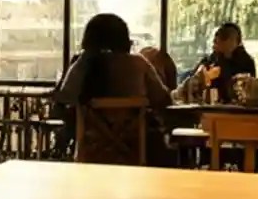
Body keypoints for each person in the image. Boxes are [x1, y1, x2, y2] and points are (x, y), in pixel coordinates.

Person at [54, 13, 173, 165]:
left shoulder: (82, 65)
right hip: (134, 151)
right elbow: (163, 99)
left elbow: (63, 99)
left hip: (91, 152)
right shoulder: (138, 64)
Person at [179, 22, 256, 102]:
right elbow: (193, 82)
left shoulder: (245, 63)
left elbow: (248, 91)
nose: (213, 46)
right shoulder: (211, 60)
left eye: (216, 42)